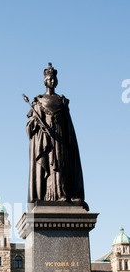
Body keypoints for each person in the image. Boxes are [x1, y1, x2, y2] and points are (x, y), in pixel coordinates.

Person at [26, 63, 85, 206]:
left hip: (61, 139)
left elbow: (68, 125)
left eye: (54, 79)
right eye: (49, 78)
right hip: (46, 140)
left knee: (62, 165)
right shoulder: (38, 102)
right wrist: (36, 124)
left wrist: (69, 141)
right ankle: (48, 195)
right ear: (45, 80)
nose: (52, 81)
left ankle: (63, 194)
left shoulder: (62, 101)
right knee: (49, 166)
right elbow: (30, 127)